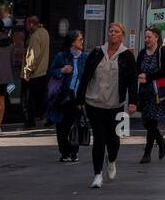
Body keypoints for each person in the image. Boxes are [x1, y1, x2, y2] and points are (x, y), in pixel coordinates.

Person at [77, 21, 138, 189]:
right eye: (111, 31)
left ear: (122, 36)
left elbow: (133, 81)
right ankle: (97, 175)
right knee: (99, 139)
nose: (113, 34)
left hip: (116, 104)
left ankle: (111, 160)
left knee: (114, 140)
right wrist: (79, 99)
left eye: (116, 32)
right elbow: (86, 76)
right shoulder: (97, 52)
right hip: (94, 103)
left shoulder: (127, 55)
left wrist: (133, 102)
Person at [47, 31, 86, 162]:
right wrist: (62, 70)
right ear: (72, 42)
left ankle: (74, 152)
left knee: (75, 125)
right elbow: (51, 72)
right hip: (63, 97)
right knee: (62, 126)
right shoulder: (61, 56)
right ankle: (64, 152)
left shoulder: (85, 57)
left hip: (78, 98)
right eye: (80, 39)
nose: (82, 42)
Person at [135, 25, 165, 163]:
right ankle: (161, 141)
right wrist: (140, 75)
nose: (146, 39)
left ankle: (147, 153)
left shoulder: (162, 51)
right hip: (144, 92)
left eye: (149, 37)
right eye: (145, 37)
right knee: (146, 122)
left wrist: (148, 77)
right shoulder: (142, 53)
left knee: (152, 121)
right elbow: (137, 68)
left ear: (156, 37)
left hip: (158, 93)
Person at [21, 14, 50, 127]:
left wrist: (27, 72)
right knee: (39, 97)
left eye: (27, 24)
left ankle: (29, 121)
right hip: (42, 72)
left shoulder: (34, 37)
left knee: (27, 100)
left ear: (32, 24)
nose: (26, 27)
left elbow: (33, 56)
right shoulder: (45, 32)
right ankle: (43, 117)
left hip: (33, 74)